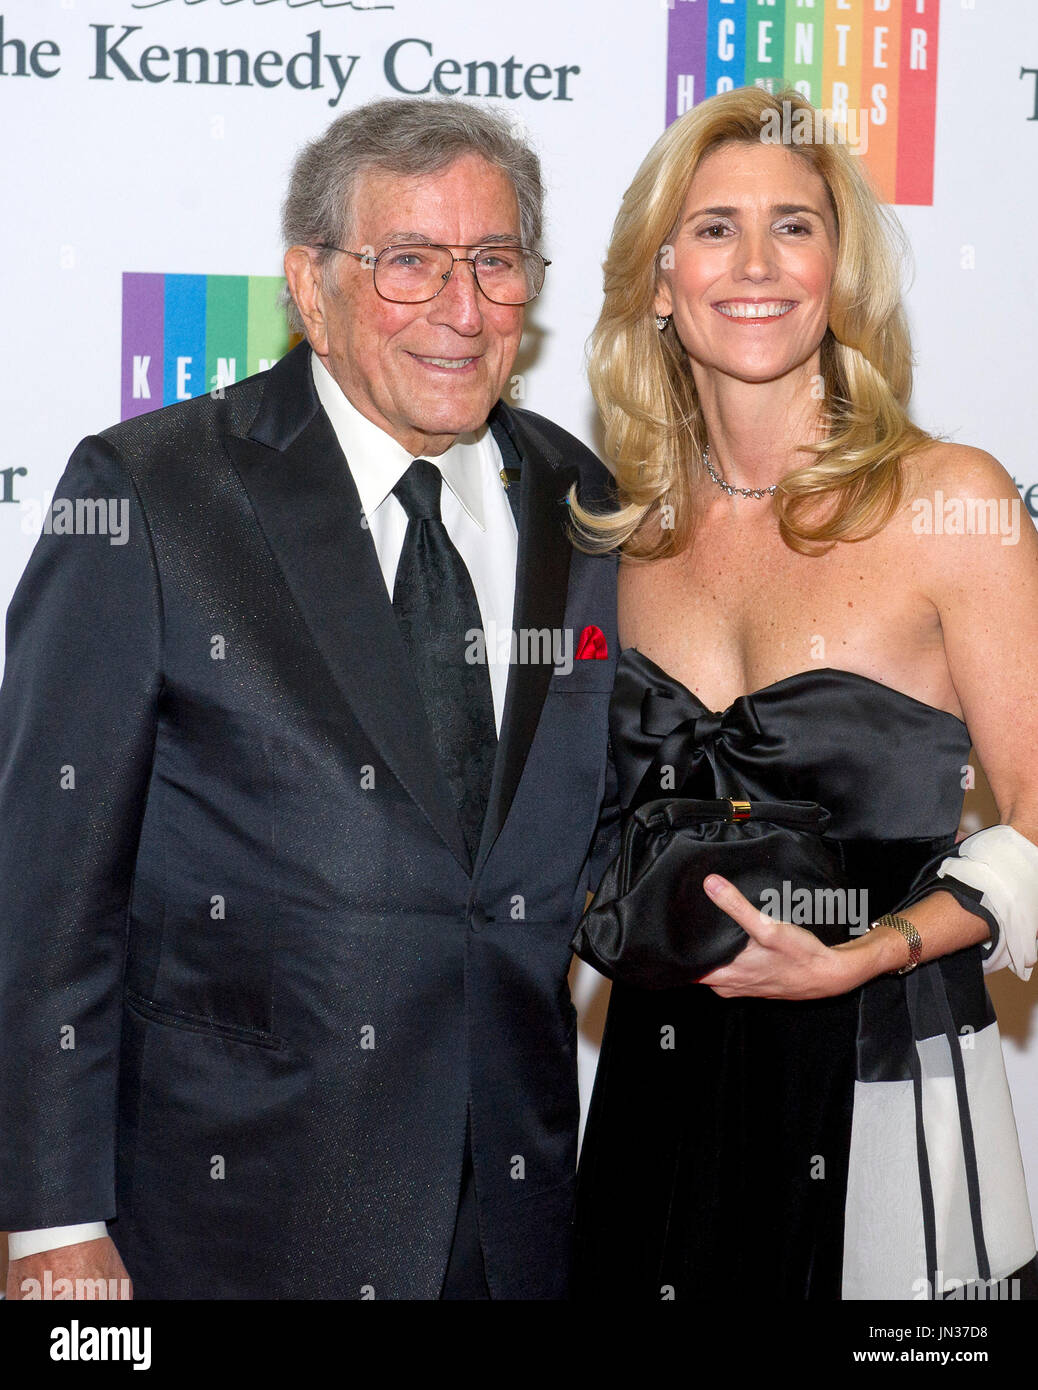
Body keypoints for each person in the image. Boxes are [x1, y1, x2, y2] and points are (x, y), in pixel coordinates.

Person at [0, 97, 618, 1300]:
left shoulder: (578, 500)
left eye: (496, 262)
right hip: (218, 1222)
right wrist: (46, 1226)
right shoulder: (151, 492)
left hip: (511, 1219)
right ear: (311, 284)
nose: (462, 308)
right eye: (409, 263)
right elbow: (41, 896)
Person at [570, 86, 1038, 1300]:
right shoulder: (614, 539)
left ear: (840, 268)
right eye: (714, 227)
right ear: (660, 282)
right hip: (662, 1081)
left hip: (883, 1059)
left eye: (796, 223)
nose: (757, 262)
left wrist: (866, 954)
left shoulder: (954, 503)